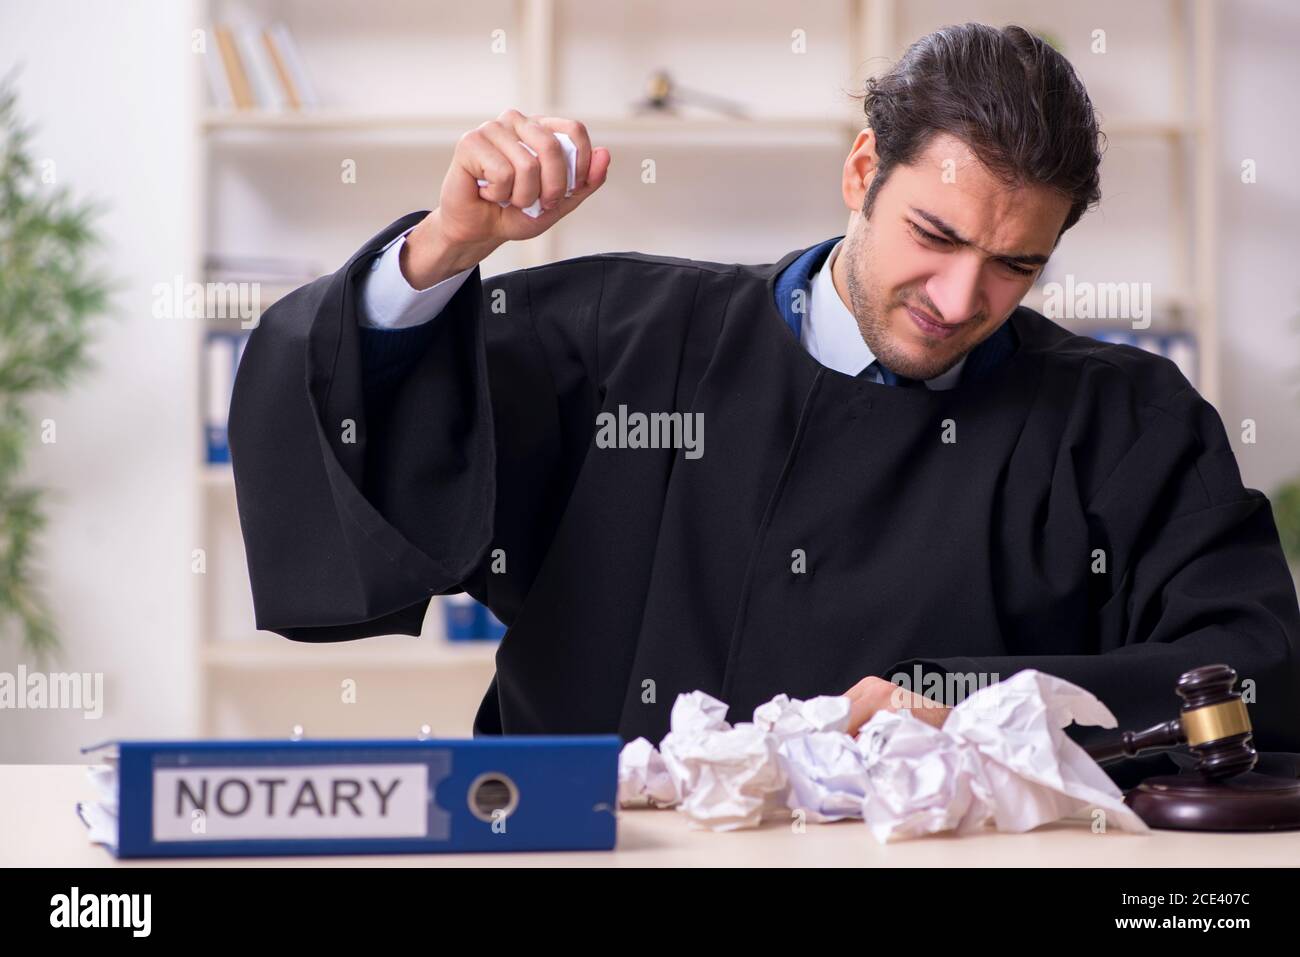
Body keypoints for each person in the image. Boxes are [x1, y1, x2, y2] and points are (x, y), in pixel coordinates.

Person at [229, 23, 1300, 781]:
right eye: (934, 237)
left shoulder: (1122, 422)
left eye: (1015, 265)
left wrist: (995, 709)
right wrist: (441, 251)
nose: (960, 298)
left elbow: (1259, 677)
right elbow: (355, 407)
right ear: (862, 169)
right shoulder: (618, 337)